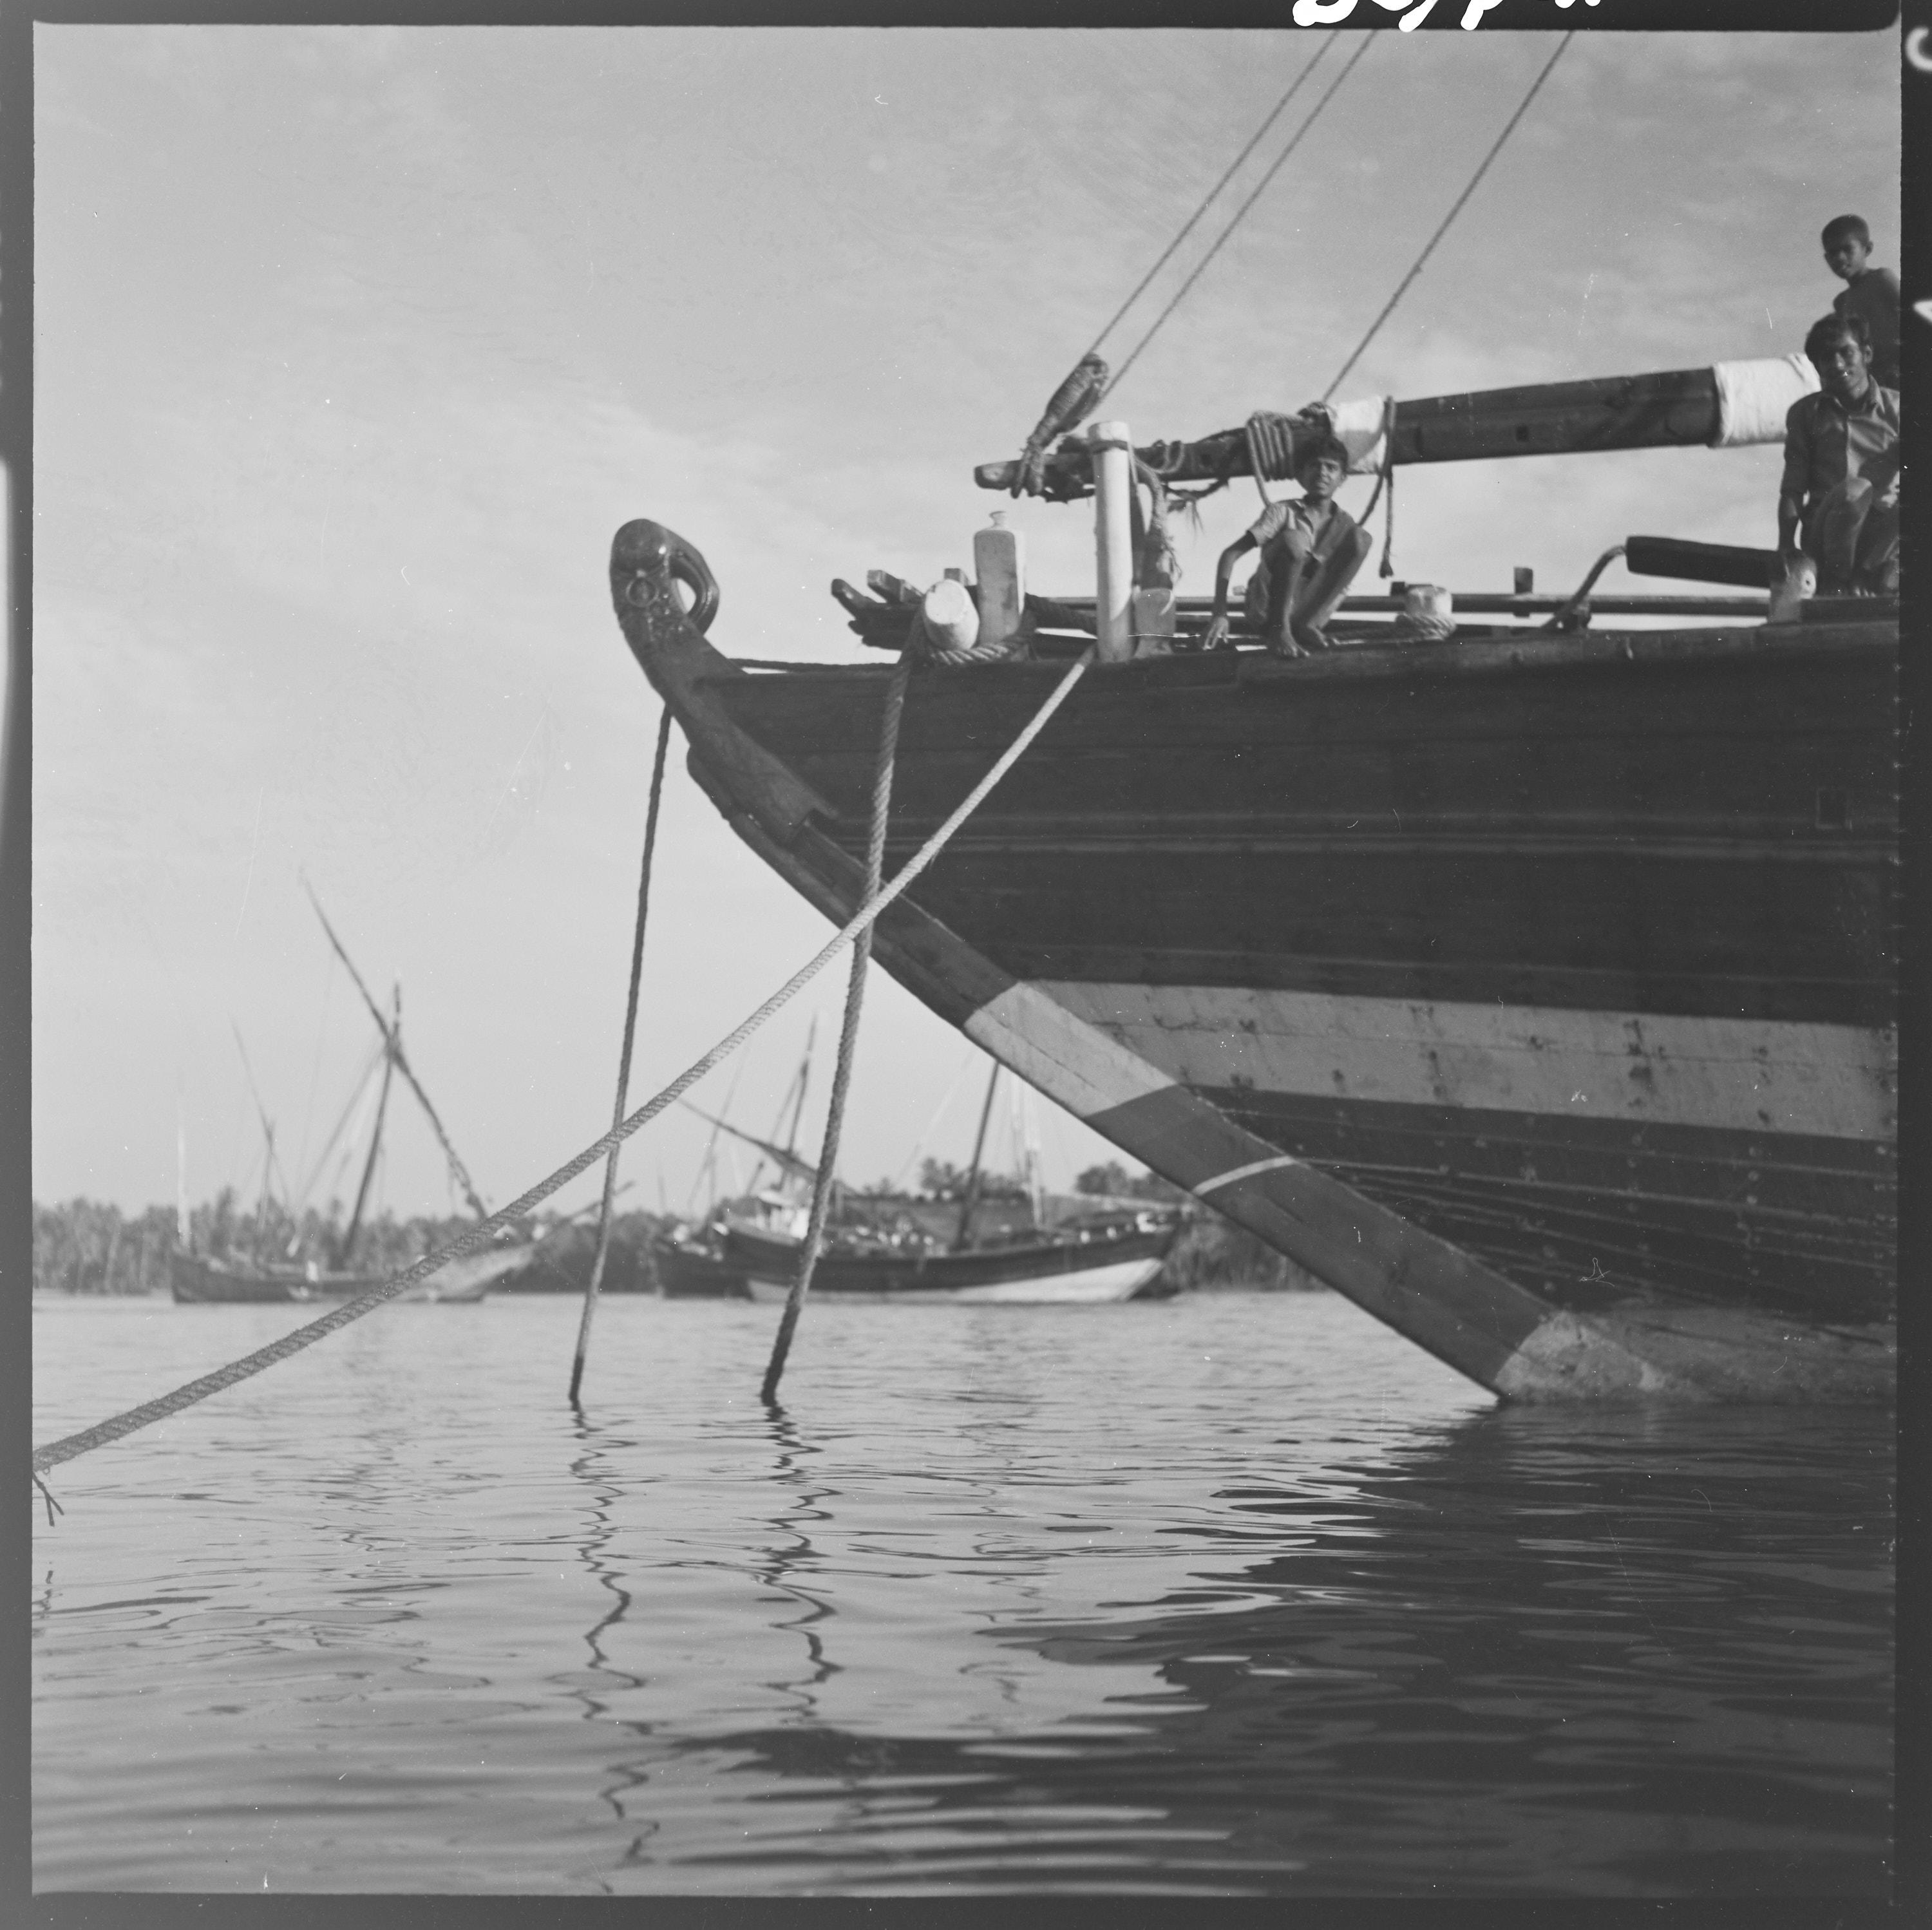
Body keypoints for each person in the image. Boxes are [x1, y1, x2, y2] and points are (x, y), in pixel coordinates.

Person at [1200, 435, 1372, 655]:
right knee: (1295, 539)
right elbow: (1230, 555)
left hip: (1306, 611)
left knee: (1361, 539)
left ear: (1342, 478)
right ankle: (1279, 631)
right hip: (1266, 611)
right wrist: (1219, 613)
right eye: (1314, 466)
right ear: (1301, 476)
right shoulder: (1282, 511)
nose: (1322, 473)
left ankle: (1307, 624)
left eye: (1331, 468)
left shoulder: (1344, 523)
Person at [1778, 311, 1899, 597]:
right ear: (1817, 366)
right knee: (1855, 490)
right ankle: (1839, 581)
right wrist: (1785, 546)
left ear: (1867, 354)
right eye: (1826, 358)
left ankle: (1871, 573)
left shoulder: (1901, 410)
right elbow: (1792, 489)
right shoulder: (1806, 414)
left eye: (1846, 353)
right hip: (1828, 536)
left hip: (1881, 540)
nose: (1837, 364)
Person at [1821, 214, 1899, 390]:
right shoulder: (1841, 302)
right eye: (1833, 253)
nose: (1840, 258)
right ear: (1827, 259)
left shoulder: (1882, 279)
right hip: (1873, 378)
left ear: (1868, 249)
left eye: (1848, 249)